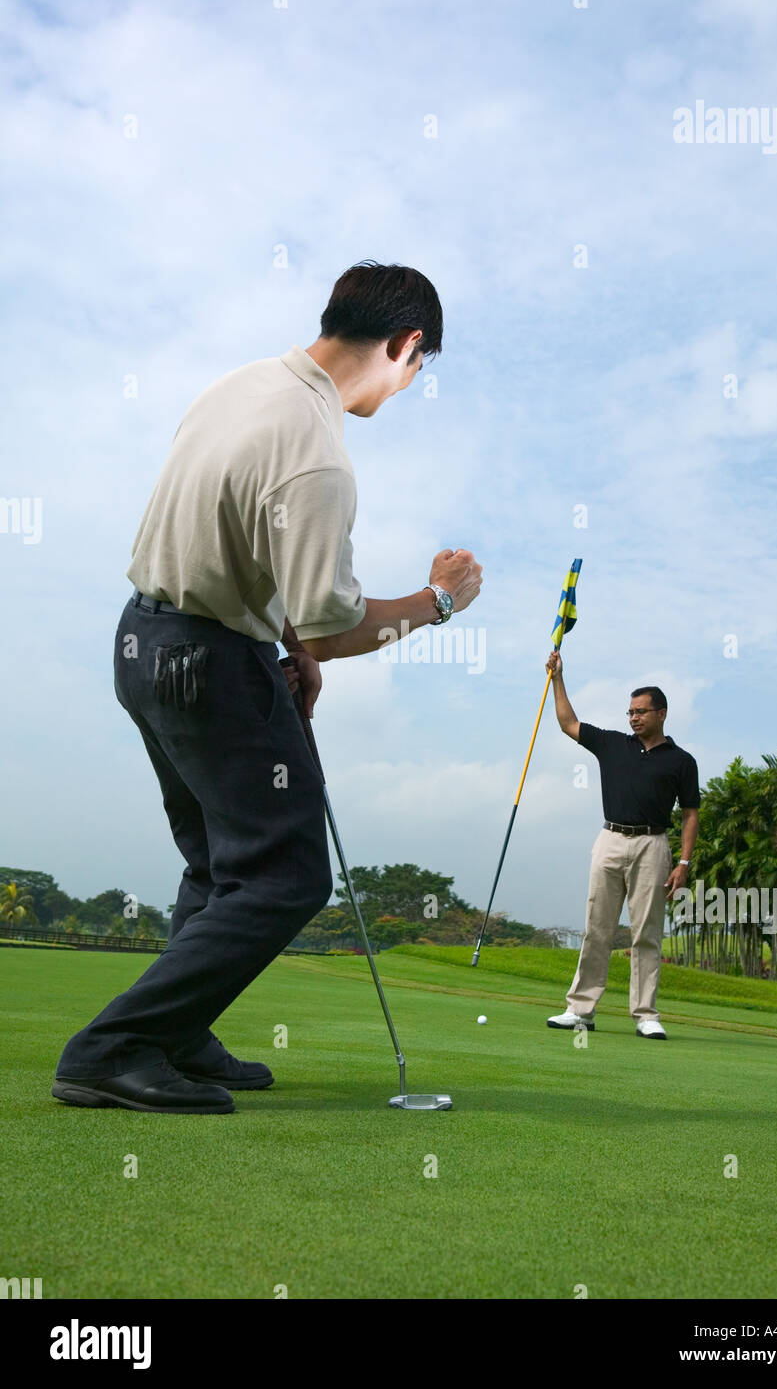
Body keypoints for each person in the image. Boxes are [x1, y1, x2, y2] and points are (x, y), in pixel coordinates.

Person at [53, 260, 483, 1114]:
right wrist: (439, 602)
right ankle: (116, 1049)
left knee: (218, 861)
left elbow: (245, 543)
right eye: (416, 370)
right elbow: (337, 622)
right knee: (285, 875)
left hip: (145, 642)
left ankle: (176, 1033)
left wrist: (293, 641)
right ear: (406, 345)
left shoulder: (243, 385)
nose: (404, 387)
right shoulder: (319, 456)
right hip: (209, 662)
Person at [543, 651, 699, 1039]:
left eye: (641, 711)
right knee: (597, 926)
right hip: (610, 840)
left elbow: (691, 813)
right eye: (630, 712)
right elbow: (568, 723)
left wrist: (684, 862)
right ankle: (580, 1010)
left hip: (653, 845)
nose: (633, 718)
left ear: (661, 713)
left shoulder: (681, 761)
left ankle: (645, 1014)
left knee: (646, 931)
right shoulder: (613, 744)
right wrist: (558, 677)